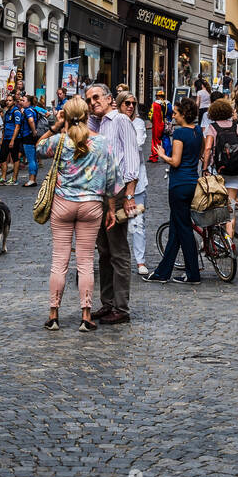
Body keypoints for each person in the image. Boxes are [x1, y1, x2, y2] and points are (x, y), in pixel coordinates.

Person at [36, 97, 118, 332]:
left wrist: (55, 125)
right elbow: (111, 179)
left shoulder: (60, 141)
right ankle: (86, 316)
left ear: (66, 116)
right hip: (91, 206)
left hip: (62, 204)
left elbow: (38, 148)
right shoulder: (102, 143)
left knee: (59, 261)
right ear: (87, 116)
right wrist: (111, 208)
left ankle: (53, 315)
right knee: (85, 262)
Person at [86, 82, 140, 324]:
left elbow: (131, 158)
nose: (93, 102)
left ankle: (121, 307)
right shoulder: (96, 123)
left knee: (118, 251)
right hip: (100, 194)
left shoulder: (120, 121)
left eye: (96, 97)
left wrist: (129, 195)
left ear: (109, 99)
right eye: (89, 100)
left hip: (117, 193)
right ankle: (107, 303)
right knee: (104, 251)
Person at [146, 97, 203, 284]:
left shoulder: (180, 134)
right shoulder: (197, 131)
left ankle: (193, 273)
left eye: (176, 113)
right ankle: (163, 271)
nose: (174, 116)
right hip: (192, 182)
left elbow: (176, 161)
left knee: (183, 229)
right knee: (176, 229)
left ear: (184, 114)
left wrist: (163, 155)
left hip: (179, 184)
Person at [202, 97, 238, 244]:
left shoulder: (213, 128)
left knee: (217, 206)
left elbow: (208, 148)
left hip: (218, 172)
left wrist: (205, 168)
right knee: (231, 209)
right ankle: (229, 244)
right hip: (235, 172)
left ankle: (216, 239)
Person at [118, 91, 149, 276]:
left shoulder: (138, 123)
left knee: (137, 222)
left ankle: (140, 261)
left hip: (137, 181)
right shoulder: (111, 122)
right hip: (116, 181)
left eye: (133, 103)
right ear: (120, 104)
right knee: (115, 221)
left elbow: (136, 145)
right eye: (126, 103)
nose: (130, 106)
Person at [0, 94, 24, 185]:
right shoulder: (7, 112)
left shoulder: (16, 112)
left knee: (15, 158)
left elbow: (17, 127)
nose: (8, 102)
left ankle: (14, 179)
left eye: (10, 100)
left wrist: (13, 140)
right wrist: (2, 139)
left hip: (14, 138)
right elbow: (5, 126)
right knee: (3, 157)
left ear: (13, 102)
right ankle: (3, 177)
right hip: (6, 137)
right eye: (7, 100)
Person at [17, 92, 39, 187]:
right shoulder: (33, 109)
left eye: (23, 100)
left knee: (31, 159)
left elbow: (30, 121)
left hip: (27, 136)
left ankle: (31, 180)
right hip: (32, 136)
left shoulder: (27, 111)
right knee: (33, 158)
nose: (21, 102)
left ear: (29, 102)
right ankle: (33, 178)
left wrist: (33, 131)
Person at [149, 89, 167, 163]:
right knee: (161, 140)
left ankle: (154, 156)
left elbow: (150, 115)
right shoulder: (165, 104)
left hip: (156, 124)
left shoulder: (154, 104)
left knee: (155, 140)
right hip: (162, 123)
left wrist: (151, 120)